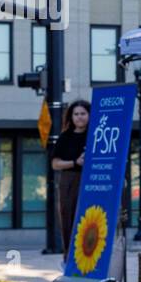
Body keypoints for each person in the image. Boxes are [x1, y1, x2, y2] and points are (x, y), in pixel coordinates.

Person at [50, 99, 90, 258]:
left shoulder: (96, 134)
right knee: (68, 218)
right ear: (71, 117)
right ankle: (69, 258)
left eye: (83, 114)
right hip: (69, 181)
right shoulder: (65, 137)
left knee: (89, 219)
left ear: (89, 115)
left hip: (91, 180)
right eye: (76, 114)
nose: (79, 117)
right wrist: (75, 162)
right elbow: (55, 164)